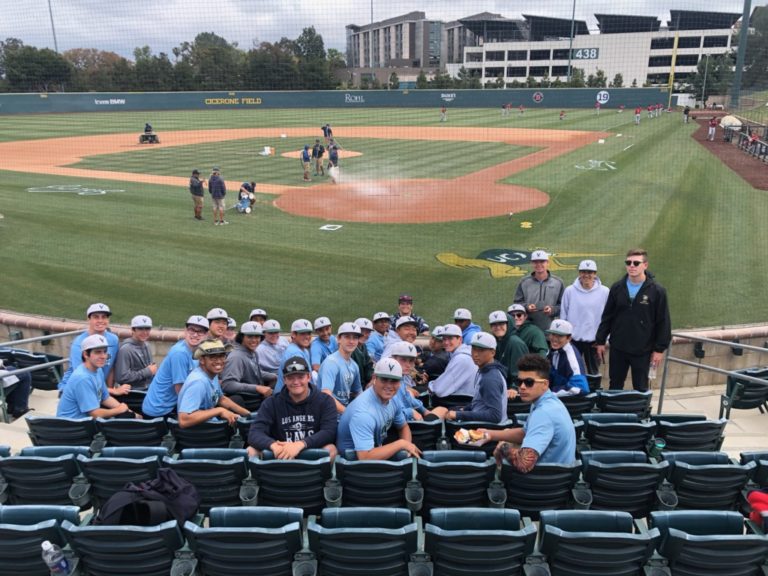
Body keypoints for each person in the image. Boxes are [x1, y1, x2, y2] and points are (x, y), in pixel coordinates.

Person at [480, 354, 576, 473]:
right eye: (519, 382)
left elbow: (524, 464)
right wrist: (489, 434)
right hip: (558, 479)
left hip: (542, 483)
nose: (522, 387)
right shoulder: (548, 402)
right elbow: (526, 433)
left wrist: (504, 446)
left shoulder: (543, 413)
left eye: (529, 382)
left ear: (545, 384)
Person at [595, 248, 671, 392]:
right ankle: (614, 412)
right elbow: (607, 316)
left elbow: (663, 321)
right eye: (628, 262)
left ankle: (640, 414)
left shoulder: (657, 291)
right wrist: (600, 341)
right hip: (618, 347)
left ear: (645, 265)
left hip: (643, 350)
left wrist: (659, 350)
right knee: (615, 385)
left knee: (641, 388)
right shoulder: (617, 287)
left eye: (636, 263)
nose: (632, 266)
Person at [247, 356, 338, 459]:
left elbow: (329, 432)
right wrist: (273, 445)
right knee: (251, 450)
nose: (296, 382)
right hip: (280, 454)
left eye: (300, 377)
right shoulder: (271, 403)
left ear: (309, 377)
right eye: (290, 378)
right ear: (284, 380)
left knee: (331, 449)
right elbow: (254, 433)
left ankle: (320, 476)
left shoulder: (325, 401)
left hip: (310, 451)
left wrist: (300, 444)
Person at [336, 358, 421, 460]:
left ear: (400, 382)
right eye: (384, 379)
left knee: (418, 447)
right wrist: (402, 444)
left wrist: (407, 448)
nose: (389, 386)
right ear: (374, 378)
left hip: (375, 446)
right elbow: (364, 457)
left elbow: (403, 427)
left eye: (394, 381)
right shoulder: (363, 413)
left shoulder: (393, 399)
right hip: (354, 465)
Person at [431, 332, 508, 423]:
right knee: (442, 411)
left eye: (481, 350)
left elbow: (495, 416)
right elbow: (479, 403)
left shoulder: (490, 378)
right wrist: (464, 409)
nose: (475, 354)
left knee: (440, 412)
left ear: (492, 352)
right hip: (481, 424)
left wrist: (458, 414)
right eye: (474, 349)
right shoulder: (486, 370)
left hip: (487, 429)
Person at [142, 315, 209, 418]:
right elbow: (180, 390)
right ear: (185, 331)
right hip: (159, 411)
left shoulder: (196, 350)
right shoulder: (180, 353)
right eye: (192, 330)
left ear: (206, 335)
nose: (195, 335)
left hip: (168, 406)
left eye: (200, 331)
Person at [176, 339, 250, 429]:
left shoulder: (212, 374)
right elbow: (184, 420)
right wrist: (219, 410)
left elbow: (221, 399)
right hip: (200, 434)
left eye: (222, 356)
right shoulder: (198, 382)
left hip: (209, 425)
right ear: (202, 360)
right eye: (213, 357)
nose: (219, 361)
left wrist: (248, 415)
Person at [57, 334, 135, 419]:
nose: (103, 356)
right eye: (98, 352)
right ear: (86, 354)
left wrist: (130, 412)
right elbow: (95, 413)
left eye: (105, 351)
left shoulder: (98, 370)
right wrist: (118, 410)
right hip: (73, 427)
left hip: (85, 422)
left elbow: (105, 398)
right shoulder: (83, 378)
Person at [59, 303, 122, 394]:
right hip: (74, 389)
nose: (100, 320)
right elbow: (82, 377)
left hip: (98, 388)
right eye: (96, 317)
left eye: (104, 317)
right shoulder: (79, 343)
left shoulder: (113, 339)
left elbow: (110, 367)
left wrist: (109, 392)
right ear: (88, 319)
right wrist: (111, 391)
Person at [560, 259, 610, 375]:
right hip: (574, 340)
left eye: (590, 272)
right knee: (572, 372)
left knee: (594, 373)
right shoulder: (570, 291)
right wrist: (564, 337)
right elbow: (563, 315)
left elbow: (609, 317)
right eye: (583, 272)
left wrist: (605, 339)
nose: (586, 275)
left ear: (595, 274)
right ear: (579, 273)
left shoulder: (605, 292)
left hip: (595, 341)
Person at [220, 321, 276, 406]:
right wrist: (257, 388)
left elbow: (254, 372)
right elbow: (228, 385)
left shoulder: (252, 352)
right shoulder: (237, 357)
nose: (254, 340)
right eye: (250, 337)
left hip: (256, 396)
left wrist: (275, 376)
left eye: (257, 337)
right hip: (247, 402)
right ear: (242, 337)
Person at [513, 250, 564, 331]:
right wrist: (527, 307)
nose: (539, 264)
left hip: (550, 329)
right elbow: (516, 304)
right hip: (528, 329)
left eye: (542, 261)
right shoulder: (524, 282)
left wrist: (552, 309)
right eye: (535, 262)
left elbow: (563, 306)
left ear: (548, 263)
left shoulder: (558, 282)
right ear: (531, 263)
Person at [318, 322, 362, 414]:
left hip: (343, 413)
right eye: (347, 337)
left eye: (355, 338)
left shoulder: (354, 365)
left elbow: (358, 393)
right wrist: (348, 414)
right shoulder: (331, 363)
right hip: (328, 415)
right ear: (338, 339)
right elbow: (326, 395)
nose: (351, 341)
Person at [388, 341, 436, 422]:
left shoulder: (400, 377)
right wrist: (411, 412)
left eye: (411, 361)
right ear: (393, 359)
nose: (408, 365)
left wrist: (424, 410)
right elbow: (390, 410)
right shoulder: (388, 380)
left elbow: (407, 397)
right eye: (403, 360)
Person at [428, 324, 477, 397]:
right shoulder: (462, 354)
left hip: (463, 403)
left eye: (450, 338)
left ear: (460, 339)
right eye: (444, 339)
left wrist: (430, 385)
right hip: (467, 399)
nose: (446, 342)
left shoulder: (461, 359)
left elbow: (439, 390)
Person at [487, 310, 528, 398]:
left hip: (515, 392)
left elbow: (521, 370)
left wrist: (515, 387)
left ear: (508, 324)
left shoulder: (515, 343)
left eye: (501, 324)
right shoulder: (496, 342)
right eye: (494, 325)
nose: (498, 327)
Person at [545, 320, 589, 397]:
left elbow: (581, 388)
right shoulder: (552, 351)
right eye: (553, 334)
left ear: (569, 338)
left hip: (565, 403)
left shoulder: (571, 358)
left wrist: (550, 394)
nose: (555, 339)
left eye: (560, 336)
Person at [114, 314, 156, 391]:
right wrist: (147, 371)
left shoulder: (147, 345)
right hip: (133, 393)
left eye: (147, 329)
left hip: (147, 389)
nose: (145, 332)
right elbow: (121, 377)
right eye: (140, 329)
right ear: (133, 330)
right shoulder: (125, 349)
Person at [274, 319, 313, 392]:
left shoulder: (303, 350)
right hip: (286, 397)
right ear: (293, 334)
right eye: (303, 334)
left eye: (309, 333)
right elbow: (297, 384)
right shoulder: (295, 354)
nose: (307, 337)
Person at [352, 317, 375, 386]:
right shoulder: (350, 349)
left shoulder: (363, 346)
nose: (364, 334)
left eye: (367, 332)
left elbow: (368, 365)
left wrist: (372, 378)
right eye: (361, 331)